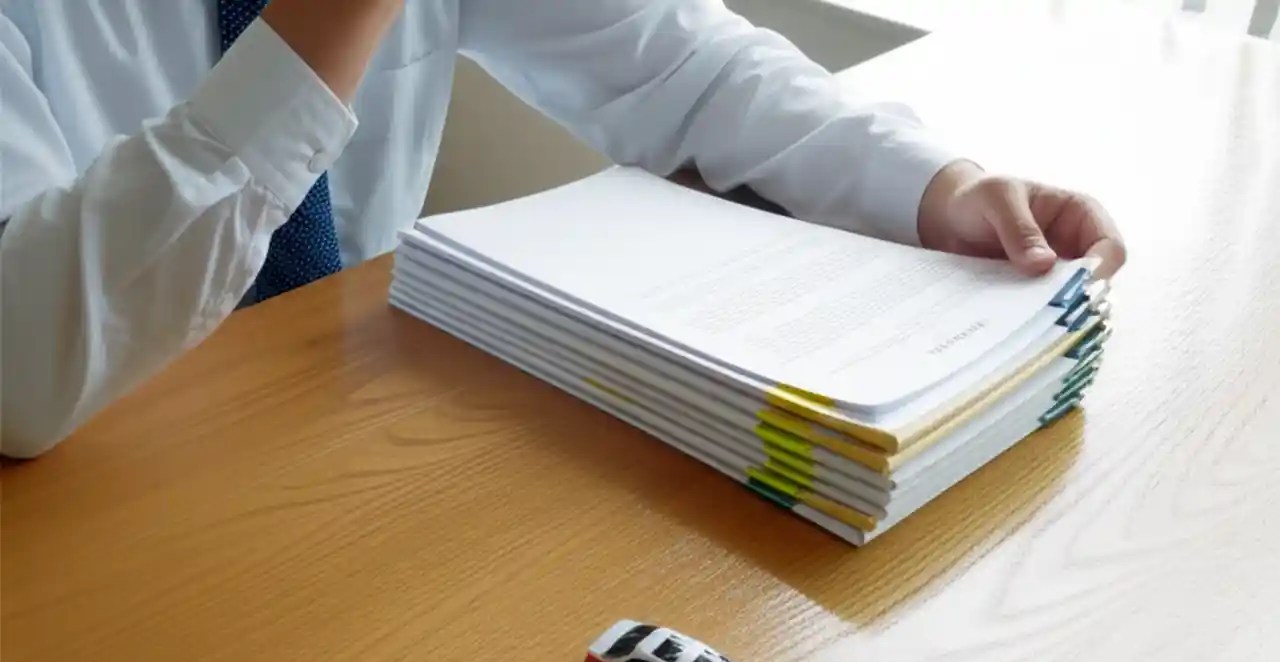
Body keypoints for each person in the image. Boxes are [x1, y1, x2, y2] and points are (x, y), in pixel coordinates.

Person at [0, 0, 1125, 459]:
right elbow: (19, 367)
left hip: (334, 426)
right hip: (78, 488)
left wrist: (936, 187)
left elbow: (677, 58)